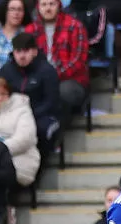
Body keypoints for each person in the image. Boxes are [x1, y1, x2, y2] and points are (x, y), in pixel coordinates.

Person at [24, 0, 89, 129]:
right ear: (38, 7)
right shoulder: (30, 30)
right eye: (44, 4)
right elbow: (25, 58)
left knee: (61, 92)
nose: (48, 8)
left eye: (51, 4)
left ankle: (57, 134)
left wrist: (52, 77)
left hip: (69, 80)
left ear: (59, 5)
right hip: (39, 79)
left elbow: (78, 60)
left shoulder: (75, 26)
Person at [0, 32, 61, 152]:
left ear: (34, 51)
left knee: (38, 130)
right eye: (18, 51)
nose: (22, 56)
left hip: (42, 115)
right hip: (13, 113)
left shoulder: (47, 71)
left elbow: (51, 102)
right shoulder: (6, 70)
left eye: (26, 51)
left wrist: (28, 114)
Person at [0, 77, 40, 187]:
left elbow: (25, 138)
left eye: (4, 94)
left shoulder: (22, 109)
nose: (0, 98)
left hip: (20, 157)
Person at [0, 0, 28, 69]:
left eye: (20, 10)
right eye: (12, 9)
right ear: (5, 11)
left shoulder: (26, 35)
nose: (16, 13)